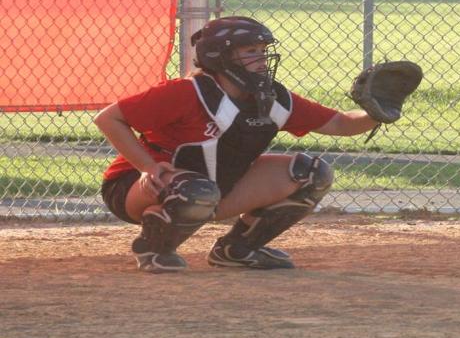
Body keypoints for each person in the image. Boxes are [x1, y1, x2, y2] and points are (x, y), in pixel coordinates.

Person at [95, 16, 386, 273]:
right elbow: (109, 118)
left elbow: (340, 124)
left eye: (262, 51)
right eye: (250, 52)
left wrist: (376, 112)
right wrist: (145, 166)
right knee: (195, 190)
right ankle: (154, 248)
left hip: (213, 189)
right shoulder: (187, 92)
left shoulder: (270, 98)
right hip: (136, 186)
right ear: (221, 57)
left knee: (311, 173)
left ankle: (238, 249)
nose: (262, 58)